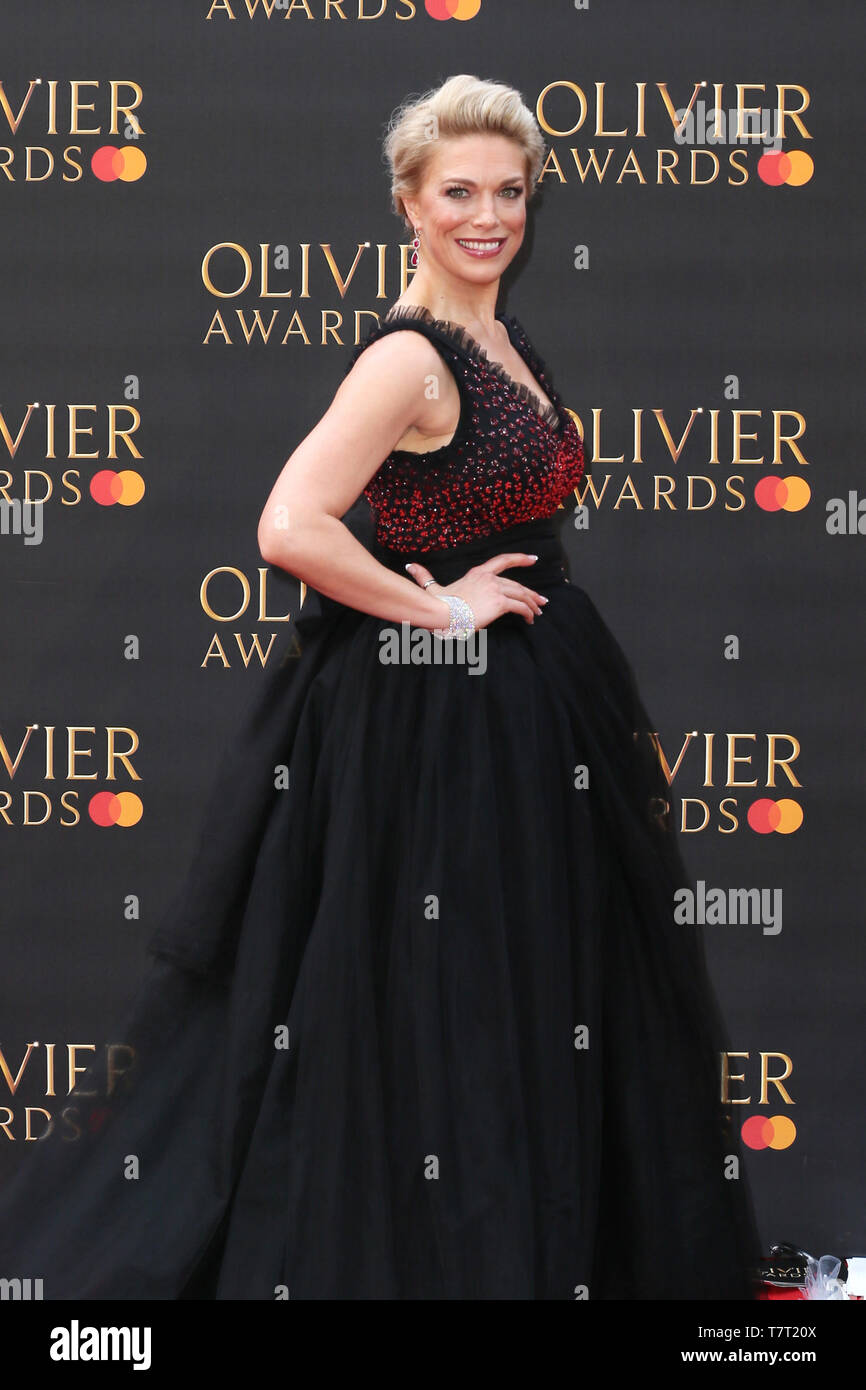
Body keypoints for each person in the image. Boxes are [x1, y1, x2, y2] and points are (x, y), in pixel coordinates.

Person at [0, 74, 760, 1300]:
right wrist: (438, 609)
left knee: (535, 997)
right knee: (447, 1003)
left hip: (535, 710)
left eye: (508, 192)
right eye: (457, 192)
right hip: (438, 723)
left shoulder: (502, 339)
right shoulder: (408, 359)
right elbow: (290, 524)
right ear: (406, 202)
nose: (487, 216)